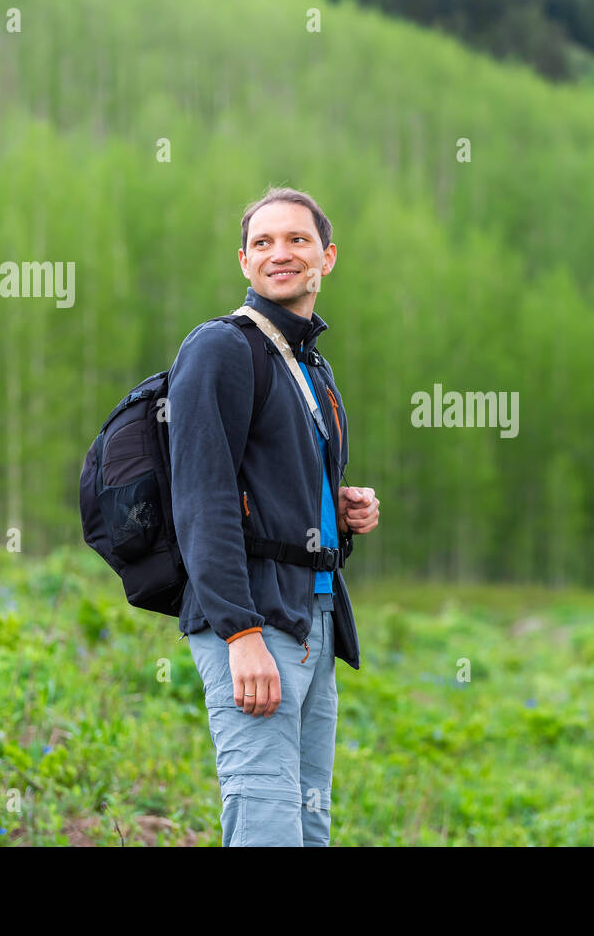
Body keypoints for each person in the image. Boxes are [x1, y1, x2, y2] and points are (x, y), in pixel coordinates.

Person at [167, 186, 379, 846]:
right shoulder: (220, 348)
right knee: (267, 827)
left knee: (308, 829)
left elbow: (271, 489)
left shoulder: (313, 365)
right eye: (263, 242)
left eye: (296, 240)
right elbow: (201, 498)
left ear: (328, 256)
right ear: (243, 260)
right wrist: (239, 633)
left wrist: (343, 512)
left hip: (314, 615)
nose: (279, 253)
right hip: (253, 621)